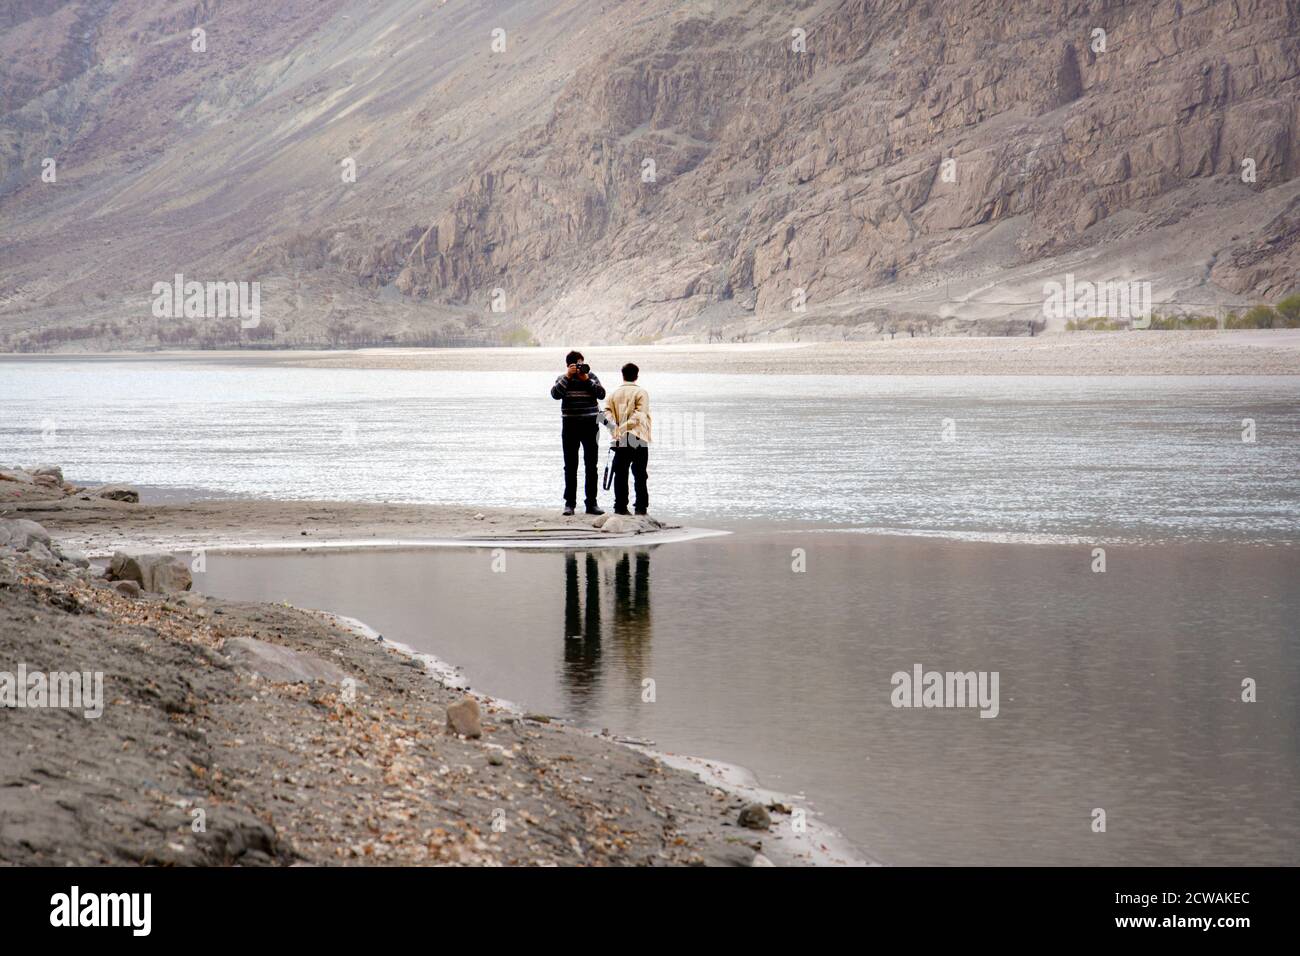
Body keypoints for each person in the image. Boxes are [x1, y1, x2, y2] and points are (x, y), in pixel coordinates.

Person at [550, 350, 606, 516]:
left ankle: (591, 503)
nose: (580, 368)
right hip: (570, 425)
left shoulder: (591, 376)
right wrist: (568, 376)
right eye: (577, 365)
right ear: (569, 366)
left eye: (582, 364)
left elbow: (601, 394)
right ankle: (570, 504)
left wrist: (587, 380)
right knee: (570, 466)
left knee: (591, 466)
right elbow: (555, 394)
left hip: (590, 425)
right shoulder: (562, 378)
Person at [603, 362, 651, 515]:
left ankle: (620, 507)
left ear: (622, 375)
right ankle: (641, 507)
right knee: (640, 474)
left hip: (621, 438)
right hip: (637, 436)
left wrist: (615, 428)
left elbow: (605, 414)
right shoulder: (641, 392)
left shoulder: (613, 394)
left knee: (621, 473)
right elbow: (639, 416)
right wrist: (624, 427)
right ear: (636, 375)